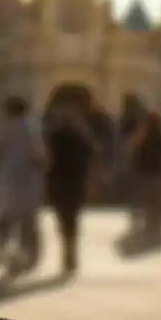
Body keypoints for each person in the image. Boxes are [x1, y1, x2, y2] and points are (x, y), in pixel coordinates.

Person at [0, 97, 46, 270]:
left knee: (10, 216)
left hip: (12, 177)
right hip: (26, 178)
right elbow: (38, 152)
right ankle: (29, 254)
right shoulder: (30, 126)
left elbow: (0, 151)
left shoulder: (8, 127)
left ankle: (10, 250)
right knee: (27, 220)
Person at [45, 102, 99, 275]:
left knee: (63, 218)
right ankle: (71, 252)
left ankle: (67, 250)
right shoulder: (83, 138)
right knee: (73, 219)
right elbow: (93, 159)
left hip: (58, 182)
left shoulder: (54, 137)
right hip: (76, 183)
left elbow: (48, 159)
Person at [127, 111, 161, 243]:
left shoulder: (142, 135)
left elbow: (132, 151)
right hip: (157, 174)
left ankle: (142, 224)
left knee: (141, 200)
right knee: (158, 203)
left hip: (143, 173)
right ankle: (155, 226)